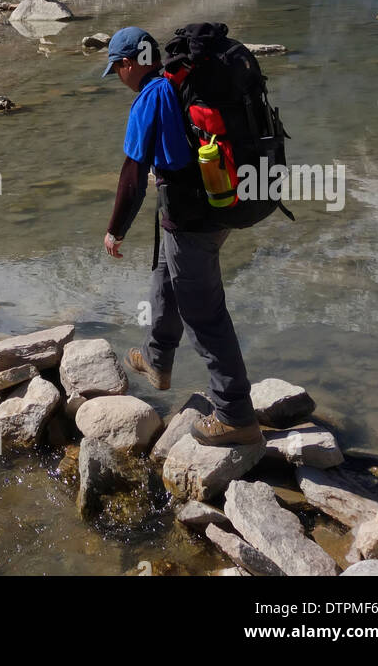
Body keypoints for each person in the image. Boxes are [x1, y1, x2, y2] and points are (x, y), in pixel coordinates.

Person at [101, 25, 262, 447]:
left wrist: (115, 229)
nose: (119, 77)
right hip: (221, 200)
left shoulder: (152, 96)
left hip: (193, 219)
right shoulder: (183, 82)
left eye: (117, 68)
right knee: (165, 274)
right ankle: (157, 360)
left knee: (204, 314)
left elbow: (133, 174)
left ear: (129, 63)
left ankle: (235, 416)